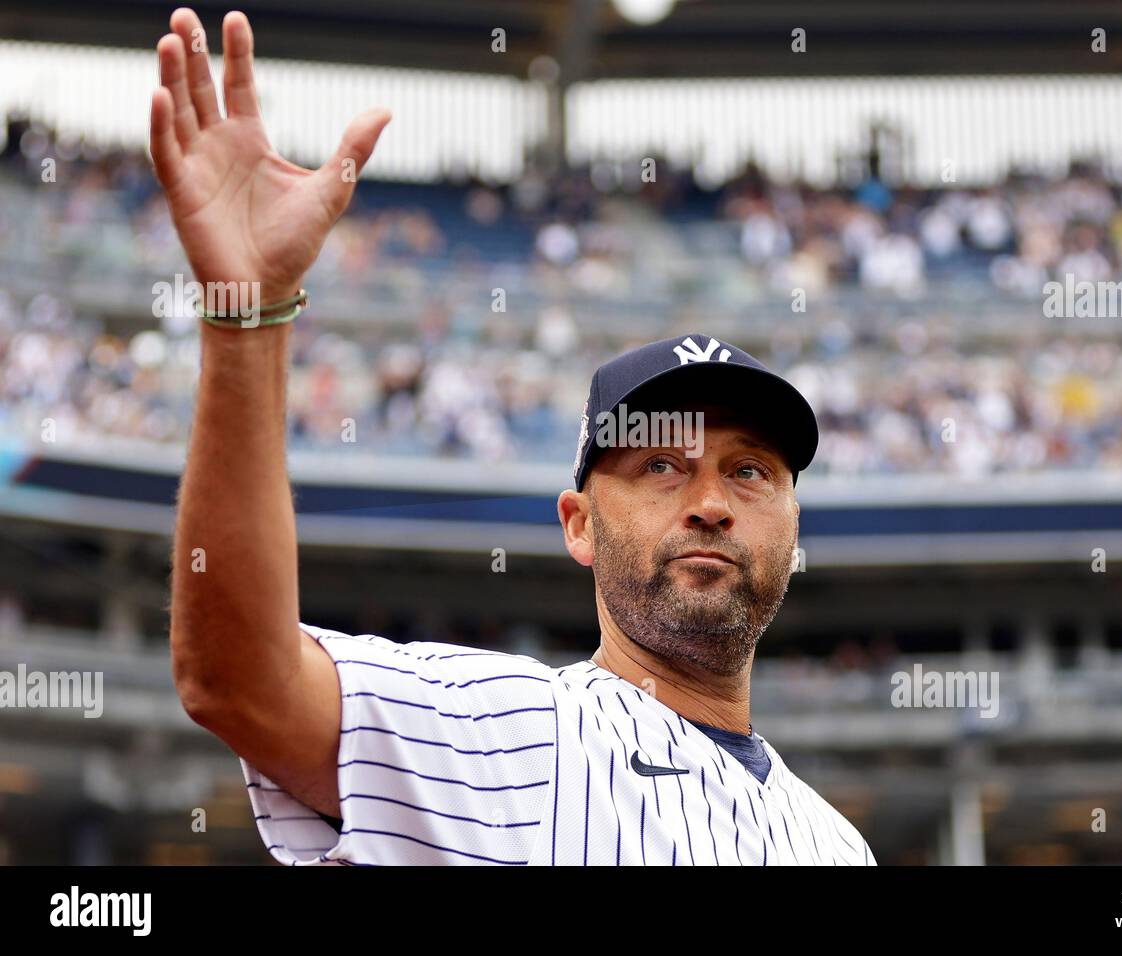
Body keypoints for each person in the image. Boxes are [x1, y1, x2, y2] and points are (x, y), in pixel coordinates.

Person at [156, 7, 876, 865]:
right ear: (577, 522)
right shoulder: (511, 736)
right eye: (659, 466)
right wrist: (248, 318)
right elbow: (238, 682)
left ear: (795, 526)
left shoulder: (836, 845)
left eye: (751, 469)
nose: (712, 503)